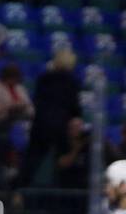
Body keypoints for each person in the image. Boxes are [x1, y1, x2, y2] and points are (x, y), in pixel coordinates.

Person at [13, 48, 81, 193]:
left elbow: (37, 101)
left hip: (41, 124)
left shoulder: (44, 78)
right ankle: (64, 195)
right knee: (64, 160)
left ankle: (18, 191)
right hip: (60, 126)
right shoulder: (72, 82)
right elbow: (74, 107)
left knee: (32, 160)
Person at [0, 62, 34, 177]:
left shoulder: (19, 88)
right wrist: (7, 107)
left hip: (21, 121)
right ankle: (11, 166)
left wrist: (22, 107)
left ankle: (23, 168)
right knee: (12, 132)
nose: (14, 82)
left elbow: (31, 108)